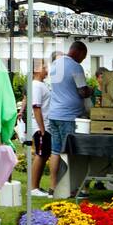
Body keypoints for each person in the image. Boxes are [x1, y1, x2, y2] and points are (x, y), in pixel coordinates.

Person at [46, 41, 92, 195]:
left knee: (55, 151)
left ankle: (53, 186)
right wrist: (91, 90)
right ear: (79, 52)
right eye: (83, 57)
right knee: (72, 152)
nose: (82, 60)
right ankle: (71, 187)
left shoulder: (55, 64)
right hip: (69, 115)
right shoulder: (75, 67)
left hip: (54, 113)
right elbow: (82, 92)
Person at [28, 59, 52, 196]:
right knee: (40, 154)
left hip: (44, 126)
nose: (46, 69)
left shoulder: (41, 85)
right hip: (40, 127)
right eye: (44, 67)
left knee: (44, 154)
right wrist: (42, 129)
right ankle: (33, 188)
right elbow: (36, 107)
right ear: (37, 69)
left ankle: (35, 186)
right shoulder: (36, 85)